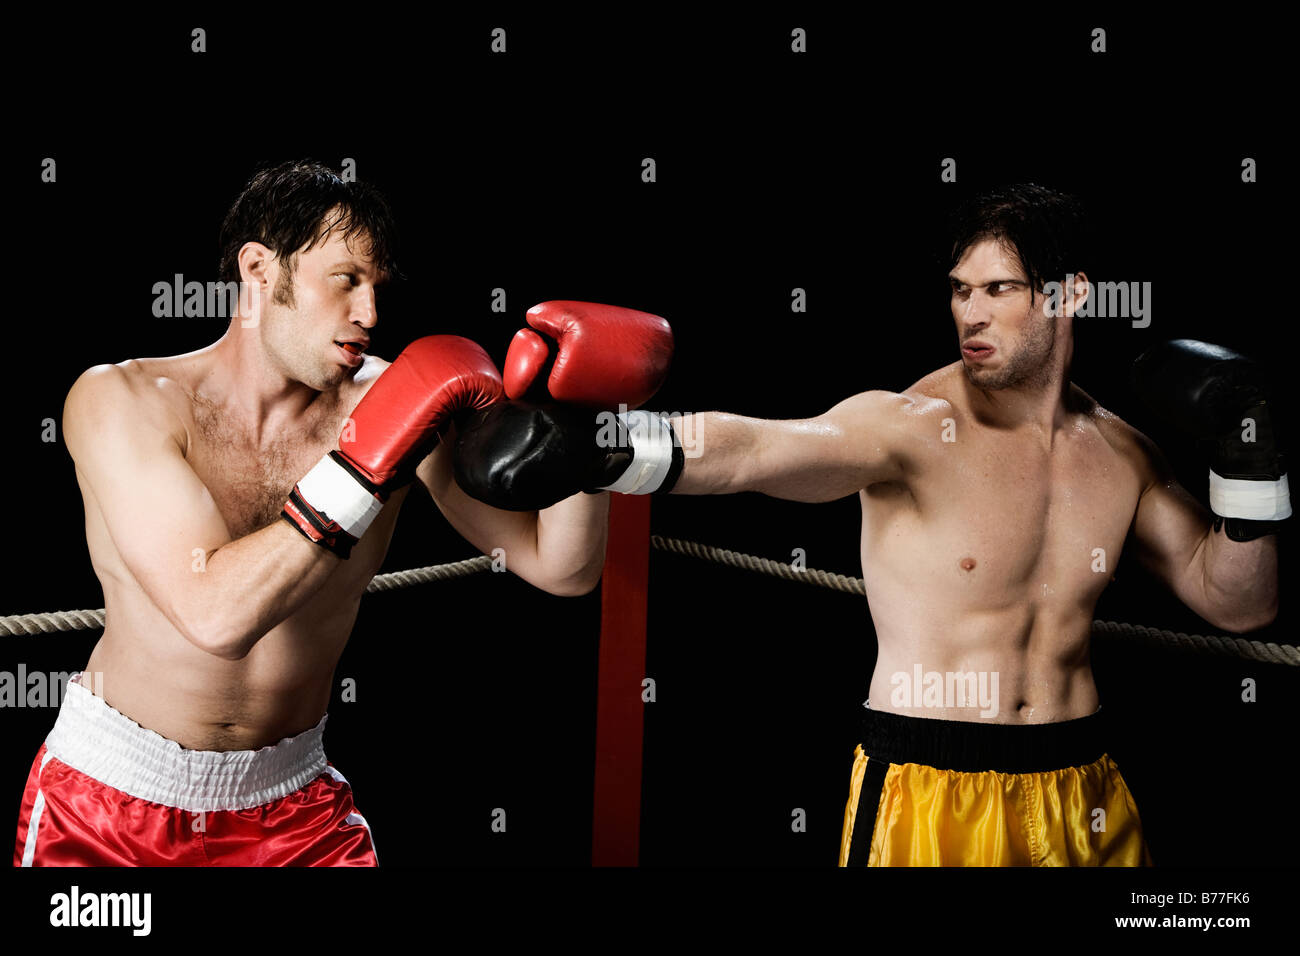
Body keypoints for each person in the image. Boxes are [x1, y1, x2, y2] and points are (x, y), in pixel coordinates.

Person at [452, 183, 1285, 866]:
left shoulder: (1122, 453)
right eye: (961, 292)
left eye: (999, 291)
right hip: (933, 787)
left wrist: (1252, 472)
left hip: (1081, 787)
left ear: (1069, 296)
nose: (972, 315)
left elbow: (1236, 603)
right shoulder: (914, 423)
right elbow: (757, 449)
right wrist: (611, 446)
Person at [14, 160, 670, 867]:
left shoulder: (391, 399)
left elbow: (560, 568)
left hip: (291, 808)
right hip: (108, 803)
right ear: (260, 270)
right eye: (347, 281)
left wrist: (583, 421)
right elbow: (215, 618)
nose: (371, 314)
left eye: (379, 288)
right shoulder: (126, 400)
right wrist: (366, 464)